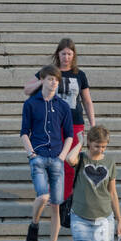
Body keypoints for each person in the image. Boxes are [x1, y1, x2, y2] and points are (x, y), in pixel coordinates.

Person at [23, 40, 95, 204]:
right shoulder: (50, 72)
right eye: (63, 53)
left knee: (70, 161)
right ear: (58, 54)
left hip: (75, 122)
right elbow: (26, 89)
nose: (66, 57)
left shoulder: (80, 75)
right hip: (54, 122)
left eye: (70, 54)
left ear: (74, 55)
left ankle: (65, 197)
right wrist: (42, 81)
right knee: (53, 157)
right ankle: (49, 194)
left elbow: (87, 101)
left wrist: (93, 124)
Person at [21, 66, 74, 241]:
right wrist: (31, 154)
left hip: (57, 158)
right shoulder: (31, 104)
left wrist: (62, 156)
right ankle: (34, 224)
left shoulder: (63, 106)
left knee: (56, 205)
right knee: (43, 196)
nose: (54, 83)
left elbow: (69, 135)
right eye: (51, 79)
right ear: (42, 80)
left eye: (56, 80)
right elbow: (24, 132)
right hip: (39, 156)